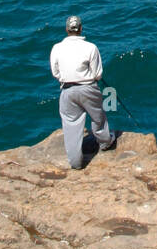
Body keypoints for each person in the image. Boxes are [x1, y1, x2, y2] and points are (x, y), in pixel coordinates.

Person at [49, 15, 116, 169]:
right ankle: (105, 142)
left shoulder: (56, 48)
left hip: (67, 90)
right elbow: (97, 74)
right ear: (81, 29)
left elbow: (55, 73)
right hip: (88, 88)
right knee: (98, 116)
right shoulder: (90, 47)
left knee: (71, 125)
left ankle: (75, 162)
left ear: (66, 29)